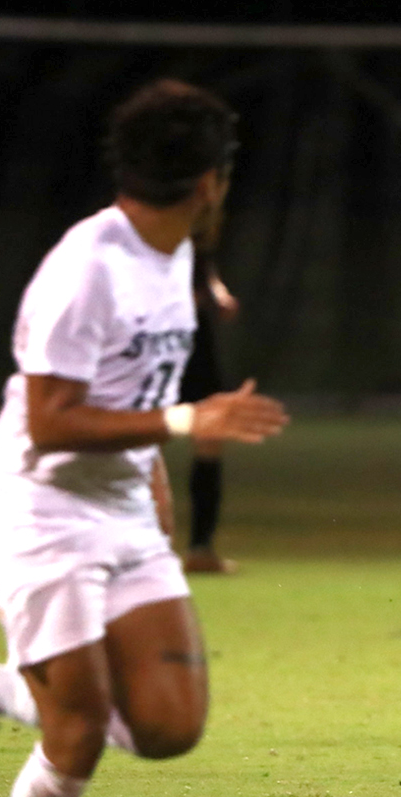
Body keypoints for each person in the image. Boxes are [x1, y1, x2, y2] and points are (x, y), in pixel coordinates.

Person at [0, 79, 289, 797]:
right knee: (79, 733)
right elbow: (51, 421)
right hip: (39, 509)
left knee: (168, 728)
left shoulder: (177, 253)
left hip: (119, 506)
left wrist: (151, 478)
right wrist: (189, 421)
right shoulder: (85, 268)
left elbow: (135, 388)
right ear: (209, 182)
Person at [179, 231, 241, 574]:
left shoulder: (196, 231)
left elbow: (203, 269)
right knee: (137, 443)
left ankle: (201, 548)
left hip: (195, 340)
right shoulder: (145, 226)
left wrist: (218, 293)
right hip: (154, 338)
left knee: (210, 436)